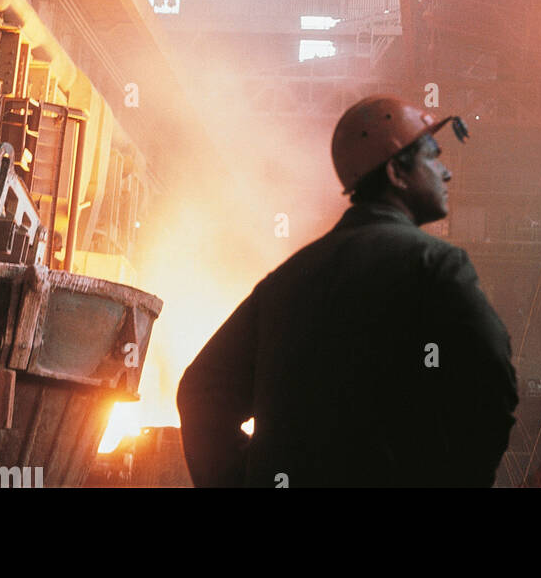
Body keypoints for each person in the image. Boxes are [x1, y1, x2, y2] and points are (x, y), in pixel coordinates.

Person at [176, 95, 518, 487]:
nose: (446, 173)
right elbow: (492, 387)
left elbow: (202, 391)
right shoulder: (433, 264)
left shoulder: (285, 280)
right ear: (396, 173)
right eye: (434, 156)